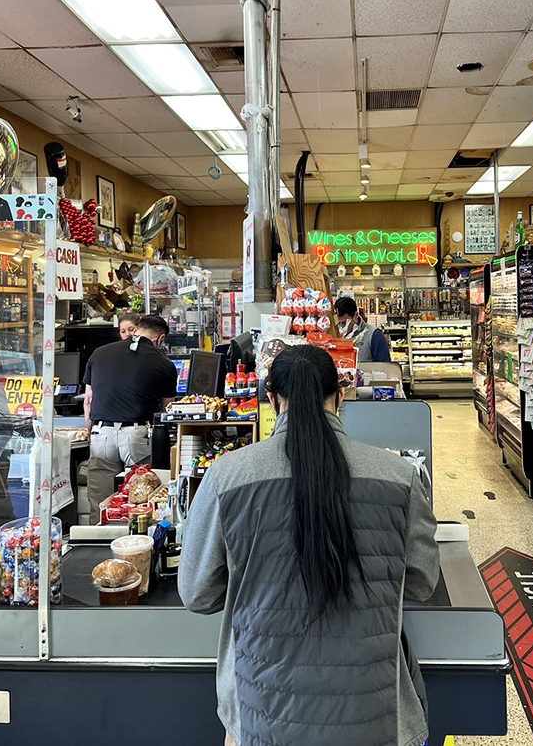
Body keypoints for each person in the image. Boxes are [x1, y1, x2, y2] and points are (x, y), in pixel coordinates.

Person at [179, 344, 439, 746]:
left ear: (271, 399)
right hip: (374, 716)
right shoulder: (400, 476)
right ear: (340, 394)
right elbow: (422, 583)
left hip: (261, 713)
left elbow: (197, 594)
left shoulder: (226, 477)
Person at [83, 315, 177, 520]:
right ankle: (135, 538)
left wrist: (91, 431)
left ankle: (97, 536)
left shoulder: (99, 353)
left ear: (136, 330)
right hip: (137, 436)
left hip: (101, 434)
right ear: (160, 339)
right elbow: (166, 409)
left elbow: (88, 399)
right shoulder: (164, 362)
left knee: (101, 504)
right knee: (139, 502)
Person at [334, 295, 391, 362]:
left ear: (356, 315)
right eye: (338, 323)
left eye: (344, 323)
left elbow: (384, 365)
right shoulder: (333, 333)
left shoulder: (374, 335)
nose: (341, 327)